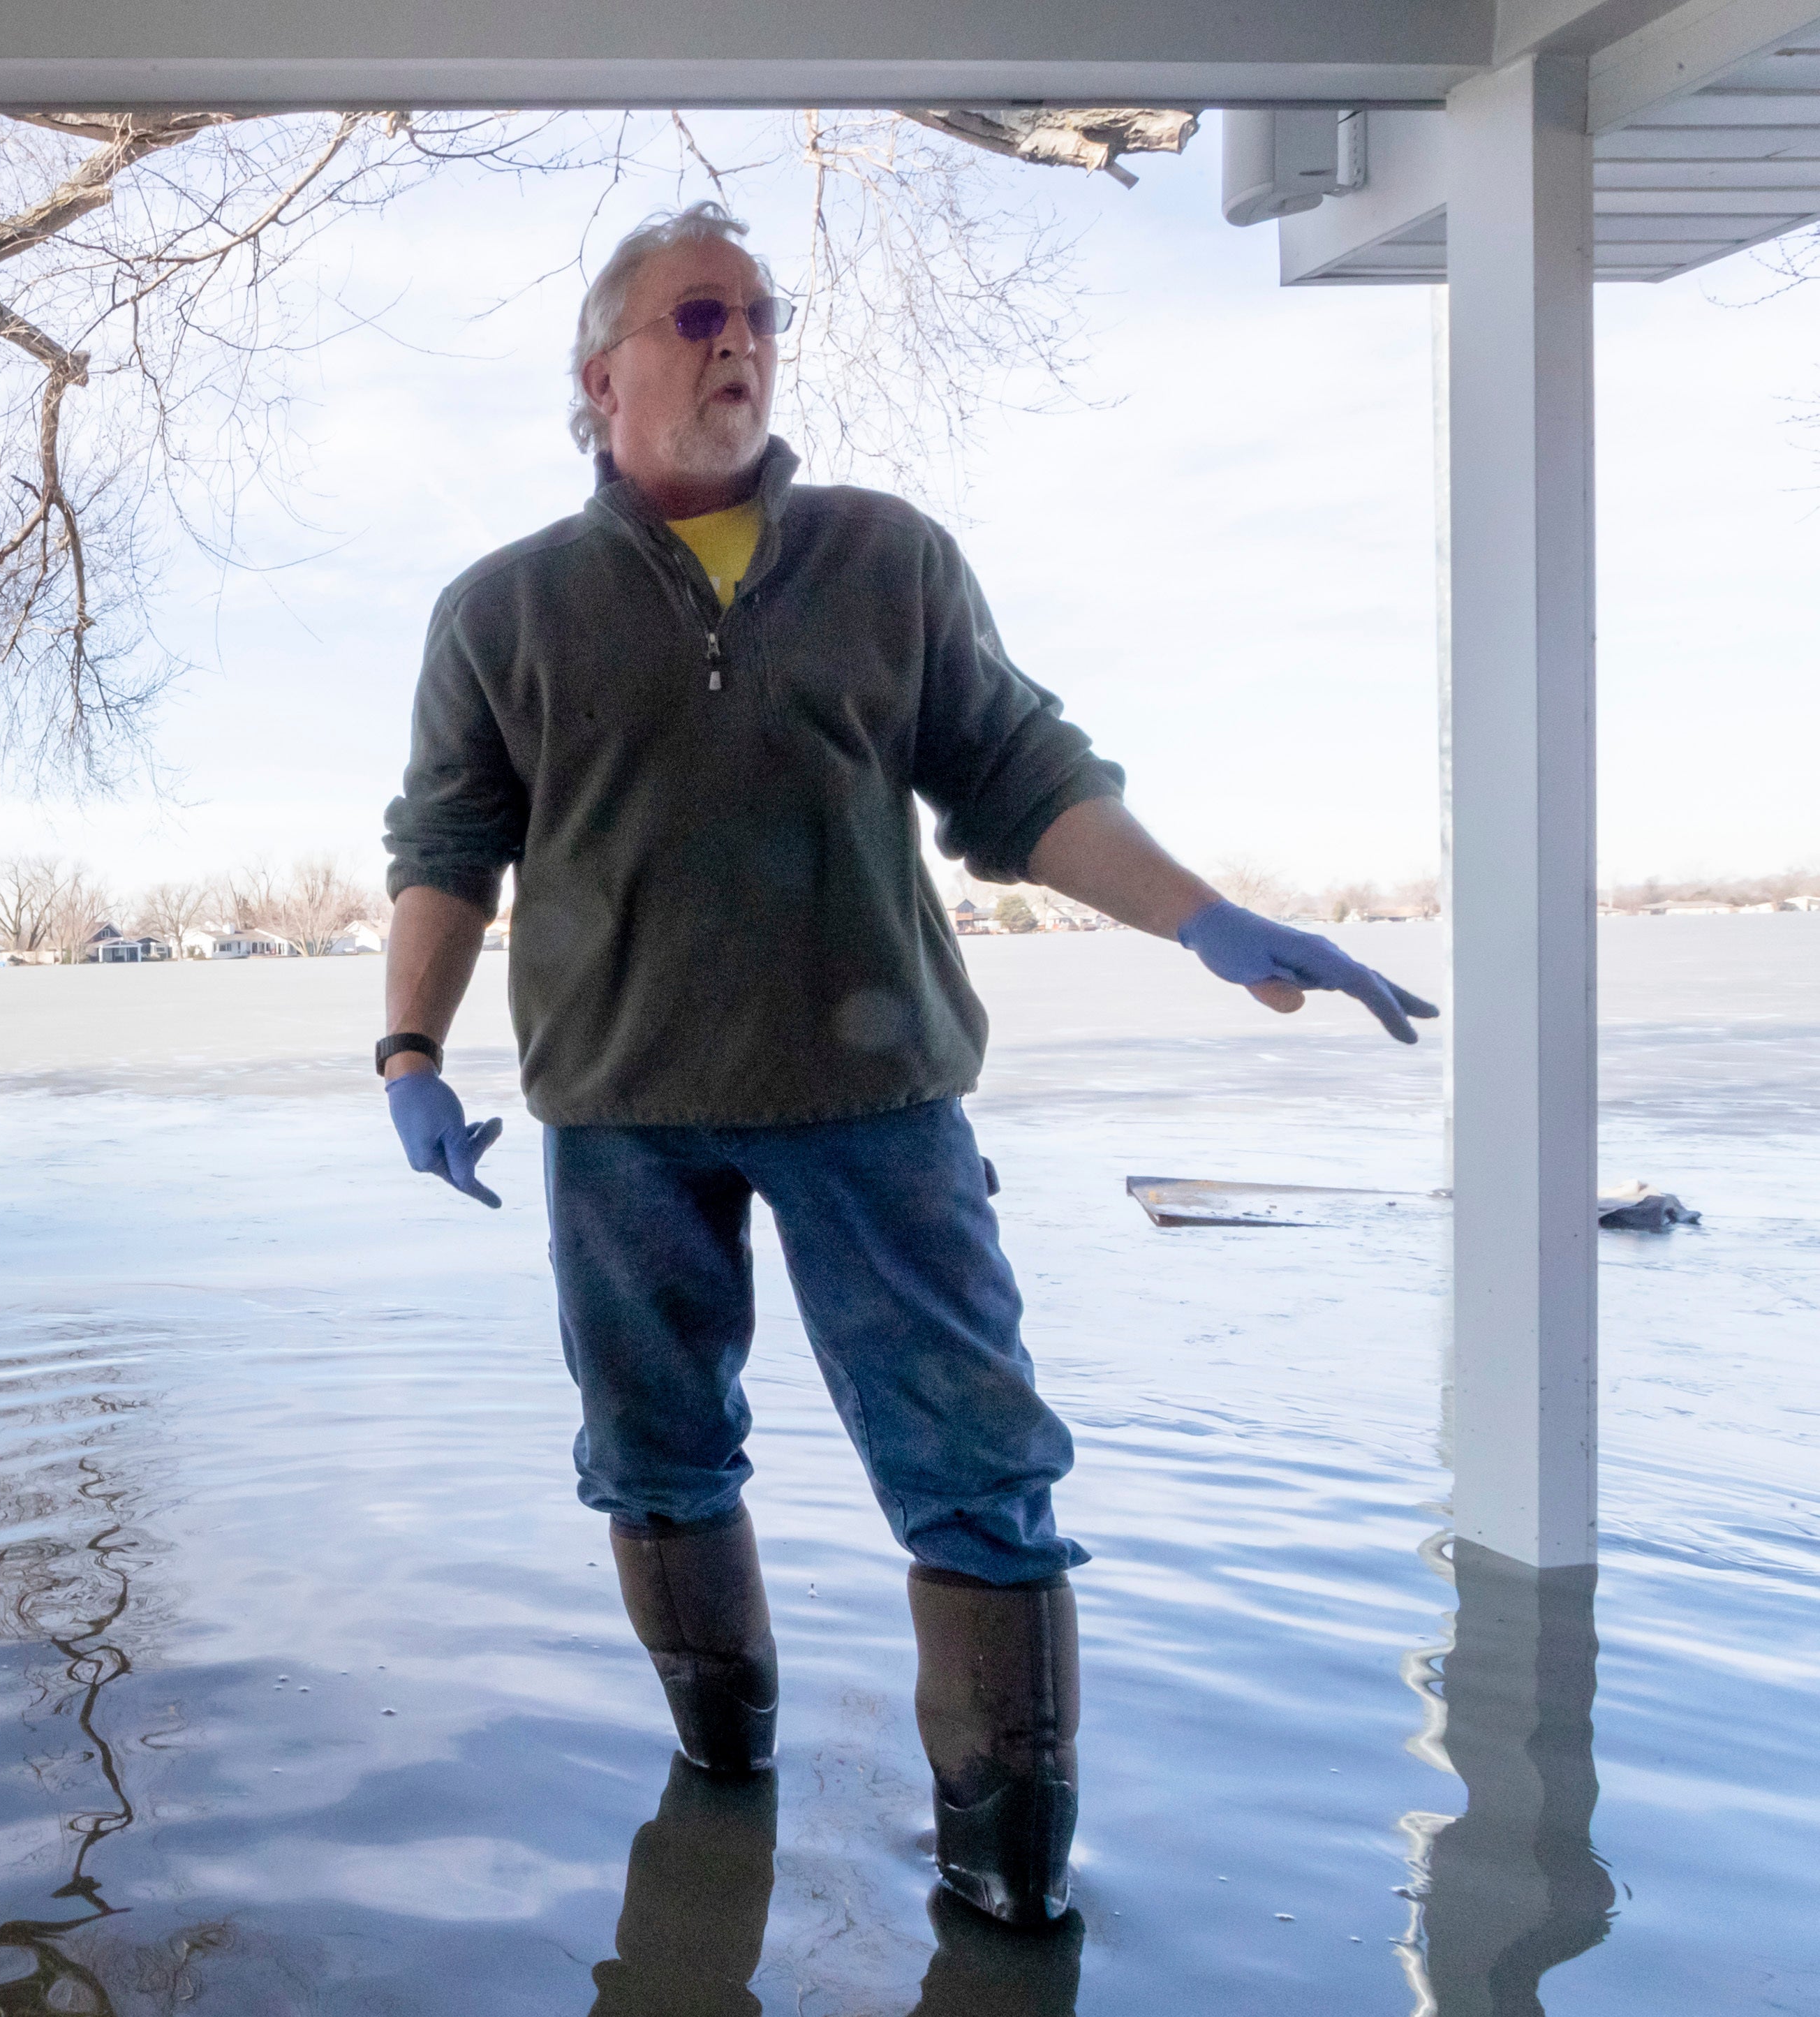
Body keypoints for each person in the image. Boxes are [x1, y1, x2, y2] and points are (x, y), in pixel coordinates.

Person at [374, 202, 1434, 1930]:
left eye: (762, 319)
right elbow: (445, 842)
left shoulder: (886, 558)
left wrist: (1204, 920)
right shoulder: (501, 607)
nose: (739, 345)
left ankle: (1006, 1874)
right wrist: (408, 1048)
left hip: (876, 1107)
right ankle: (720, 1772)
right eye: (699, 315)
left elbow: (1021, 778)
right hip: (619, 1113)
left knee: (977, 1466)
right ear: (599, 372)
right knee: (650, 1454)